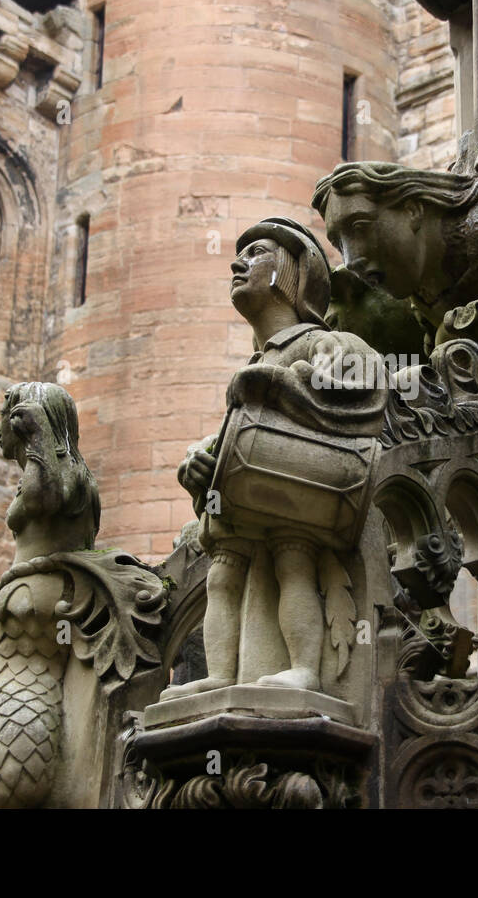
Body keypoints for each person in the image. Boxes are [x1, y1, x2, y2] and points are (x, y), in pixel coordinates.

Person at [162, 218, 387, 697]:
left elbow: (362, 386)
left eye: (257, 253)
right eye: (240, 254)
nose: (237, 263)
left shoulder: (314, 341)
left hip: (296, 493)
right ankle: (221, 675)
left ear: (292, 272)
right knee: (221, 576)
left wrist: (283, 385)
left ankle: (305, 668)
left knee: (294, 566)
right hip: (243, 504)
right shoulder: (255, 361)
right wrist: (202, 463)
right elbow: (235, 434)